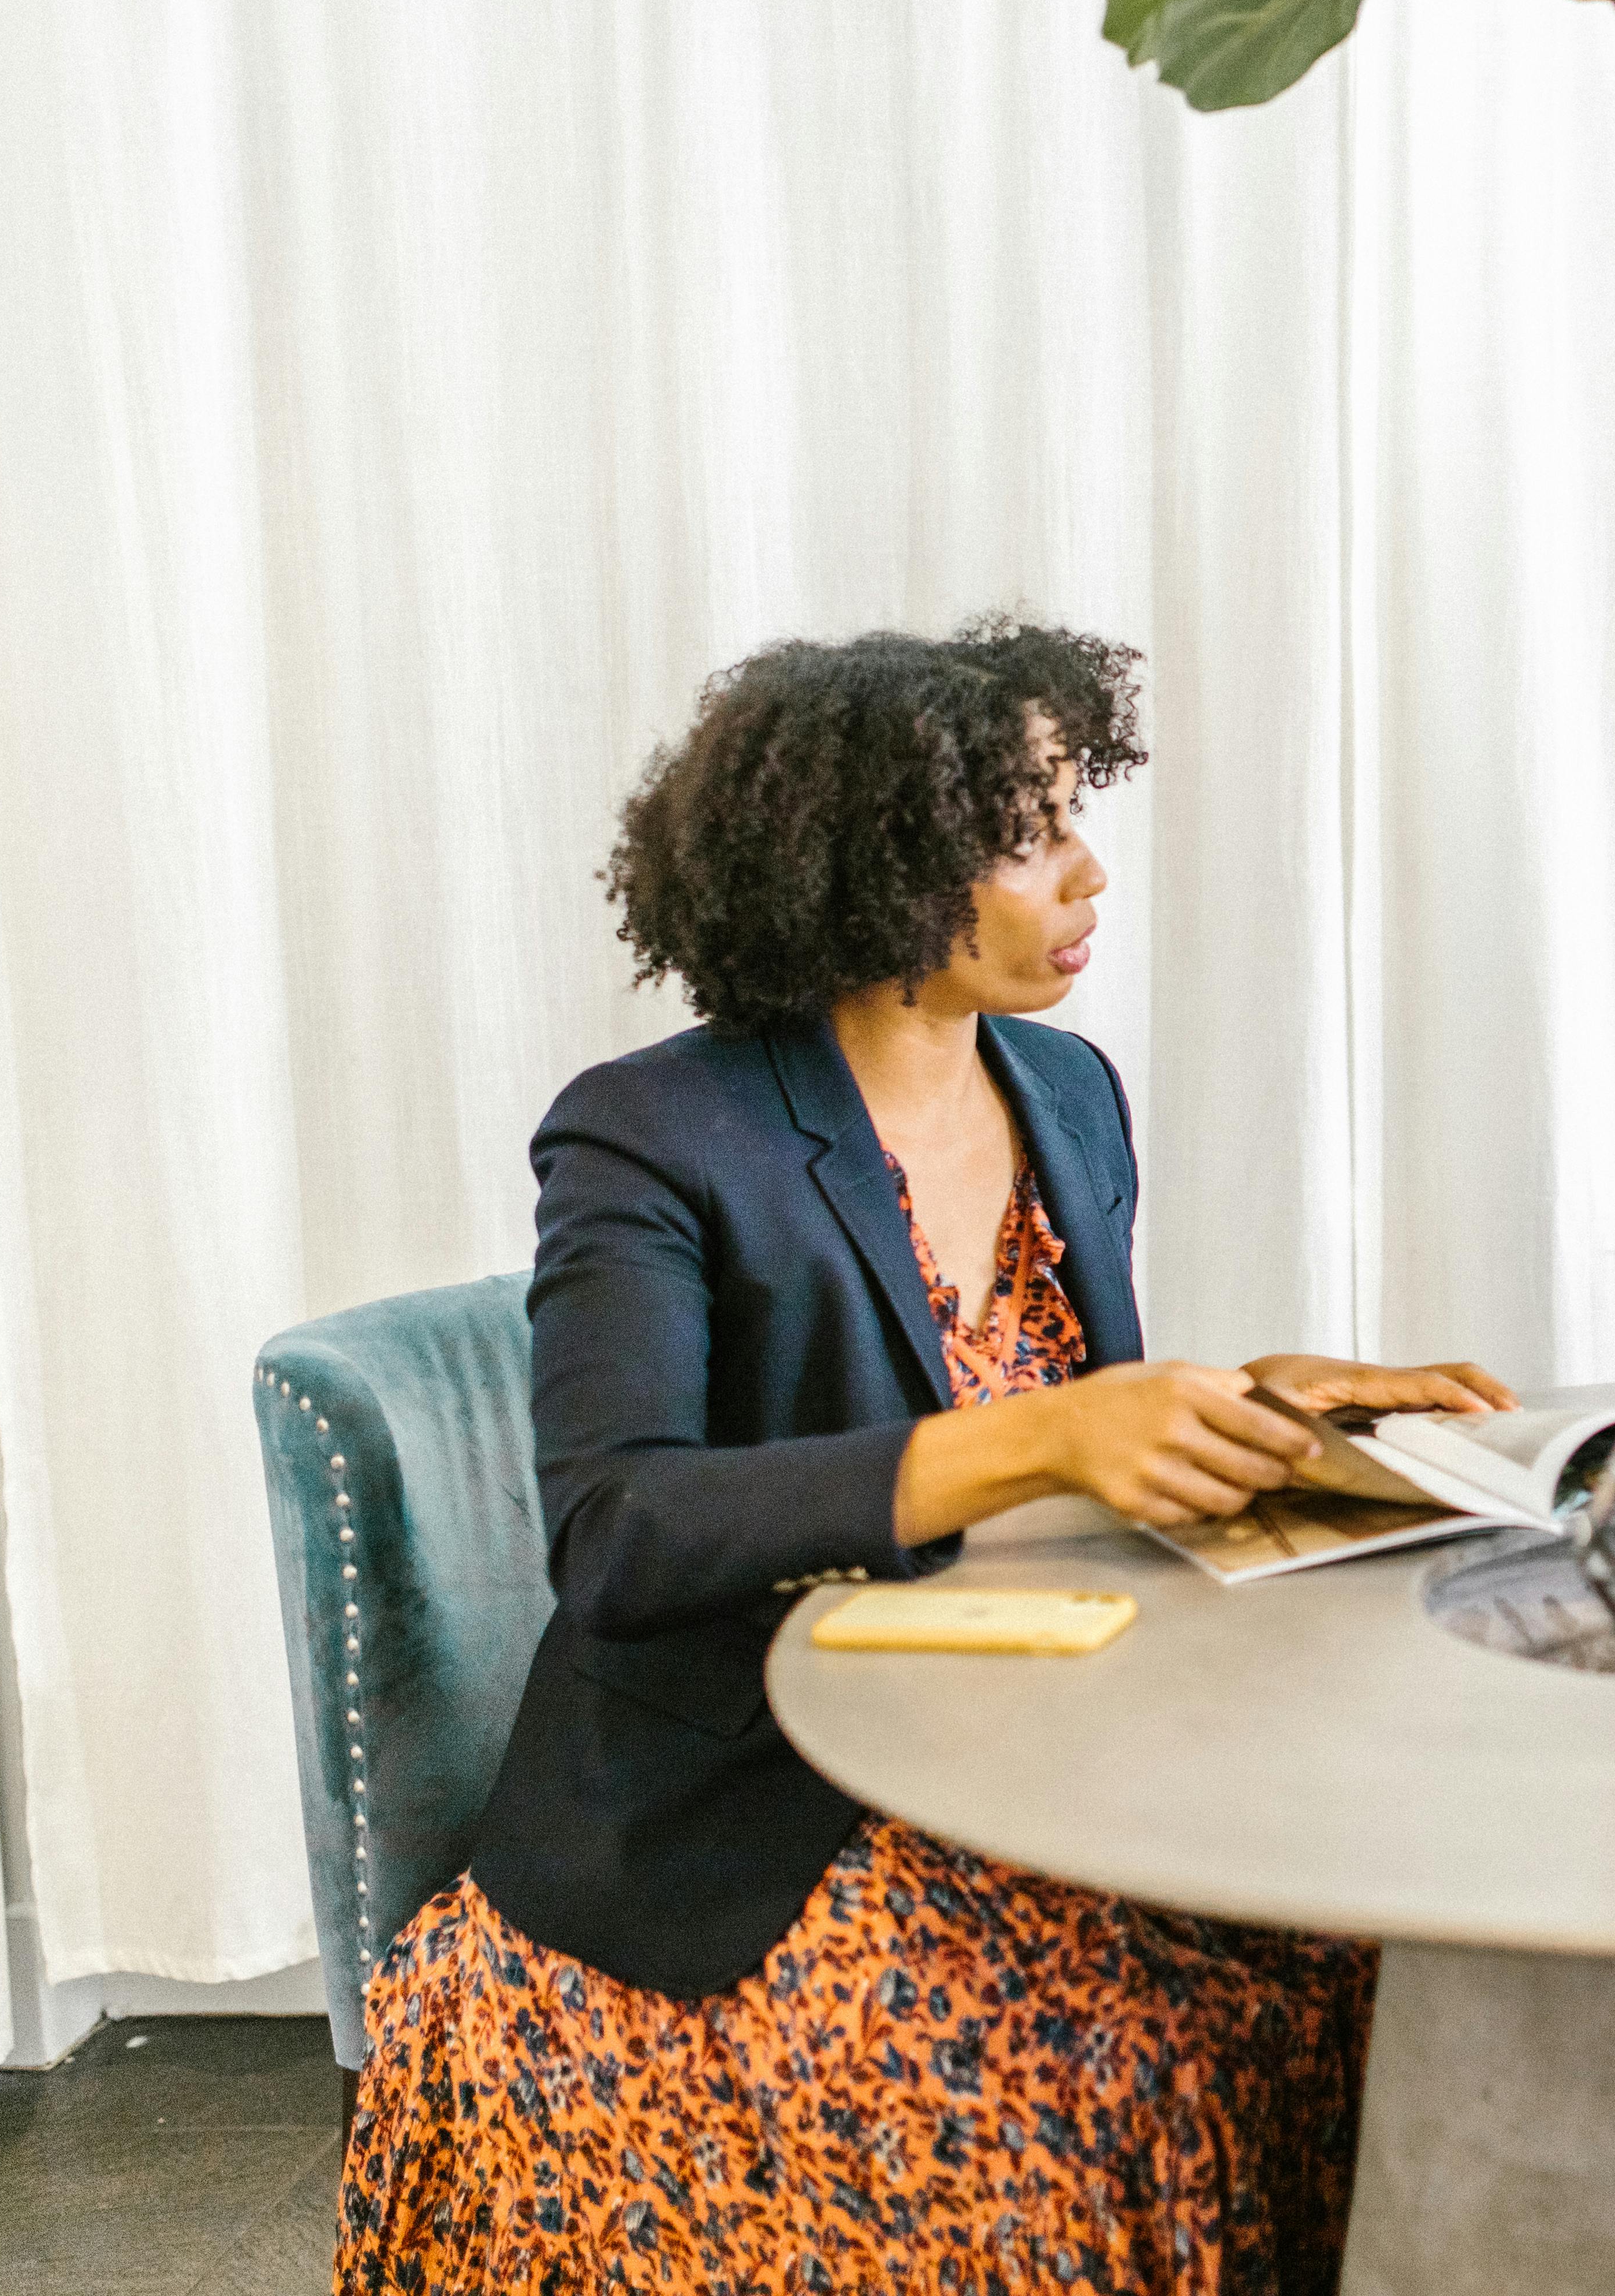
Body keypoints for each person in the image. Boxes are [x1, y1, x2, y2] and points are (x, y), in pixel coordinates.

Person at [338, 614, 1506, 2294]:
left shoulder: (1069, 1090)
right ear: (869, 870)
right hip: (740, 1810)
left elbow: (1054, 1430)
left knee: (1359, 1965)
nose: (1089, 872)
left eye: (1070, 815)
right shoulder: (654, 1132)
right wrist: (1044, 1435)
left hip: (1033, 1746)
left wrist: (1256, 1404)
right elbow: (619, 1527)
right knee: (1106, 2077)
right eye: (1028, 835)